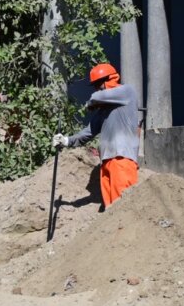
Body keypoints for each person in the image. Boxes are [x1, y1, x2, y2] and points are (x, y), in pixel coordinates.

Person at [53, 63, 140, 209]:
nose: (96, 88)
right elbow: (88, 132)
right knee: (111, 209)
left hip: (122, 158)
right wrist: (66, 140)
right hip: (106, 160)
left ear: (109, 79)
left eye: (98, 84)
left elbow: (95, 97)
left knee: (125, 207)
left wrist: (91, 103)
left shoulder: (127, 91)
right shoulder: (104, 110)